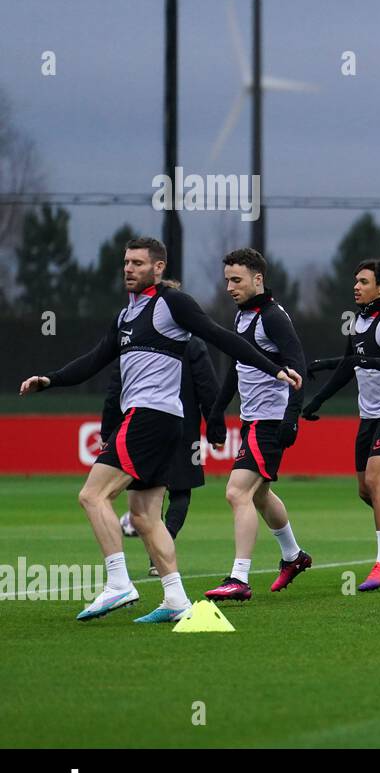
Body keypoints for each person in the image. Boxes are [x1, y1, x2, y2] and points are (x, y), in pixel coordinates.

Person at [20, 237, 301, 623]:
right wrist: (50, 380)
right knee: (144, 516)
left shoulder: (172, 303)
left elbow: (222, 337)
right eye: (126, 262)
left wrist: (275, 369)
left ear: (158, 267)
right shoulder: (125, 317)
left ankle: (118, 583)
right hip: (162, 422)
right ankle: (176, 600)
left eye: (137, 262)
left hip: (149, 418)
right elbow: (94, 360)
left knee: (92, 494)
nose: (128, 269)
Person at [301, 258, 380, 592]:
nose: (356, 286)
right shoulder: (358, 320)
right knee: (366, 490)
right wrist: (318, 400)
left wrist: (365, 360)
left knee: (376, 480)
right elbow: (348, 366)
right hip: (369, 416)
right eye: (356, 280)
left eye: (364, 281)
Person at [204, 249, 312, 602]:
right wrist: (218, 411)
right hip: (251, 420)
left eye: (237, 280)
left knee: (237, 493)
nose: (230, 288)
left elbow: (299, 366)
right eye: (227, 281)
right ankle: (294, 556)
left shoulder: (273, 317)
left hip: (271, 421)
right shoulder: (241, 317)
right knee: (260, 495)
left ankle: (239, 578)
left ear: (258, 279)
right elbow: (239, 368)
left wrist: (292, 417)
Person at [106, 280, 225, 578]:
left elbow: (115, 388)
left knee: (149, 491)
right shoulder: (192, 342)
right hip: (183, 427)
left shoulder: (136, 339)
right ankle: (165, 542)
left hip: (143, 423)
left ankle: (152, 555)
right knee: (181, 490)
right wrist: (216, 427)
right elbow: (208, 386)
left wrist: (107, 429)